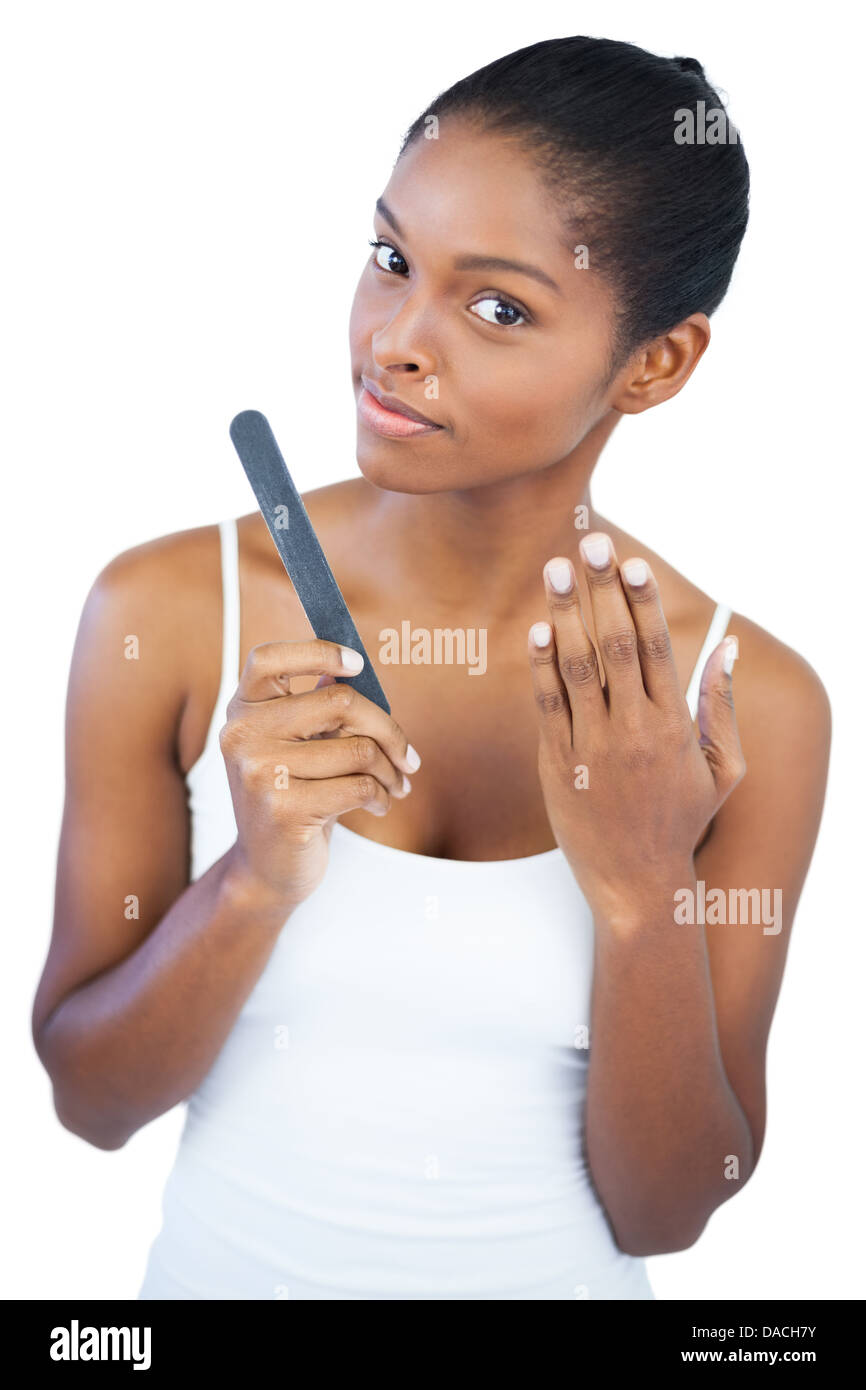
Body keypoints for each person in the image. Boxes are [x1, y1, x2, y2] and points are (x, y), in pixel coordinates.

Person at [32, 35, 830, 1300]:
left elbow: (671, 1206)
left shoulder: (744, 701)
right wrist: (251, 881)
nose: (395, 339)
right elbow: (88, 1102)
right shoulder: (173, 610)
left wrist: (638, 896)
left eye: (497, 306)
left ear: (654, 362)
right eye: (391, 258)